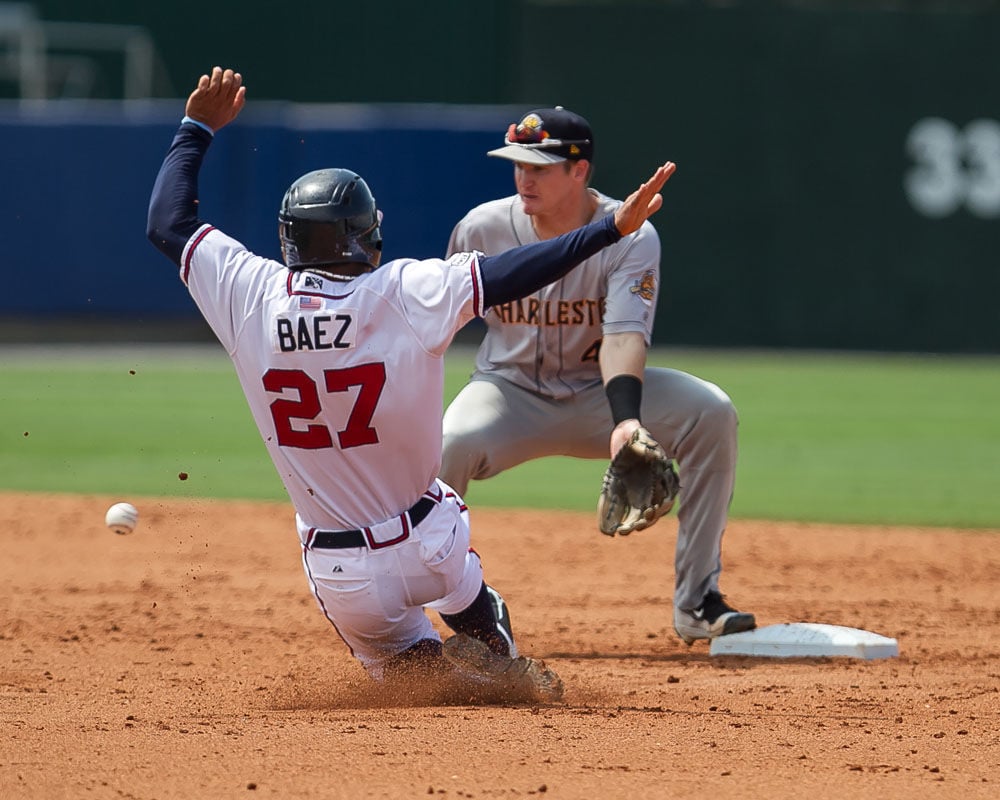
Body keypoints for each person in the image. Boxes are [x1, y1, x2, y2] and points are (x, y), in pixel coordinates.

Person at [146, 68, 675, 700]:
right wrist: (607, 231)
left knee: (419, 685)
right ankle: (497, 654)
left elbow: (167, 223)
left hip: (340, 570)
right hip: (429, 540)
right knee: (474, 602)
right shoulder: (404, 289)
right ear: (364, 235)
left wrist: (194, 128)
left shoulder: (248, 294)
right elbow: (514, 273)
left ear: (288, 236)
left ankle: (445, 674)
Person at [441, 107, 756, 645]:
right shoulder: (482, 227)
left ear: (579, 170)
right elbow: (441, 322)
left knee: (712, 413)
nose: (524, 178)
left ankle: (698, 602)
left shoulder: (632, 233)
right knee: (446, 441)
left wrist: (626, 422)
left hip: (598, 396)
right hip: (507, 394)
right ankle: (443, 610)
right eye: (518, 164)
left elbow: (624, 336)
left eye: (539, 167)